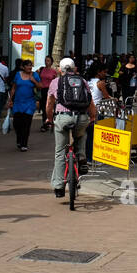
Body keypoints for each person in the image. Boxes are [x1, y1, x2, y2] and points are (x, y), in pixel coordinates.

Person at [45, 58, 98, 198]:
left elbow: (49, 104)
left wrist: (49, 119)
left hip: (62, 118)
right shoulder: (83, 81)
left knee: (60, 151)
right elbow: (90, 103)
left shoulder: (55, 82)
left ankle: (59, 187)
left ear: (59, 70)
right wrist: (92, 117)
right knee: (81, 134)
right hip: (81, 117)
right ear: (74, 69)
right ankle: (81, 156)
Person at [7, 58, 40, 153]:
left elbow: (40, 86)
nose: (30, 67)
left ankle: (24, 144)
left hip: (29, 103)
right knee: (17, 123)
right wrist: (10, 100)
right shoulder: (18, 75)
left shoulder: (35, 75)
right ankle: (19, 139)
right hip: (17, 103)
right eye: (28, 65)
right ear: (23, 67)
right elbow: (13, 88)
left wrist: (34, 81)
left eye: (31, 65)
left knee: (26, 124)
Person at [37, 56, 59, 131]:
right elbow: (38, 78)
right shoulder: (42, 69)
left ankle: (51, 123)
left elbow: (56, 82)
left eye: (48, 61)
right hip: (43, 90)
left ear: (51, 62)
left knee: (50, 108)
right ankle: (44, 124)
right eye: (45, 60)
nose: (47, 62)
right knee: (43, 107)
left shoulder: (53, 71)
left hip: (50, 91)